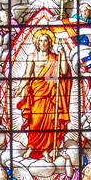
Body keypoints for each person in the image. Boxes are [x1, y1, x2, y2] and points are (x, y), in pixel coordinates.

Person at [17, 29, 73, 160]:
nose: (43, 43)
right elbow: (27, 74)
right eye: (41, 41)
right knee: (35, 121)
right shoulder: (32, 57)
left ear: (50, 43)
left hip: (51, 94)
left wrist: (63, 53)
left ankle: (45, 151)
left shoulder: (55, 57)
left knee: (49, 123)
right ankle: (31, 147)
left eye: (46, 41)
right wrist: (20, 87)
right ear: (37, 42)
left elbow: (64, 72)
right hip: (37, 92)